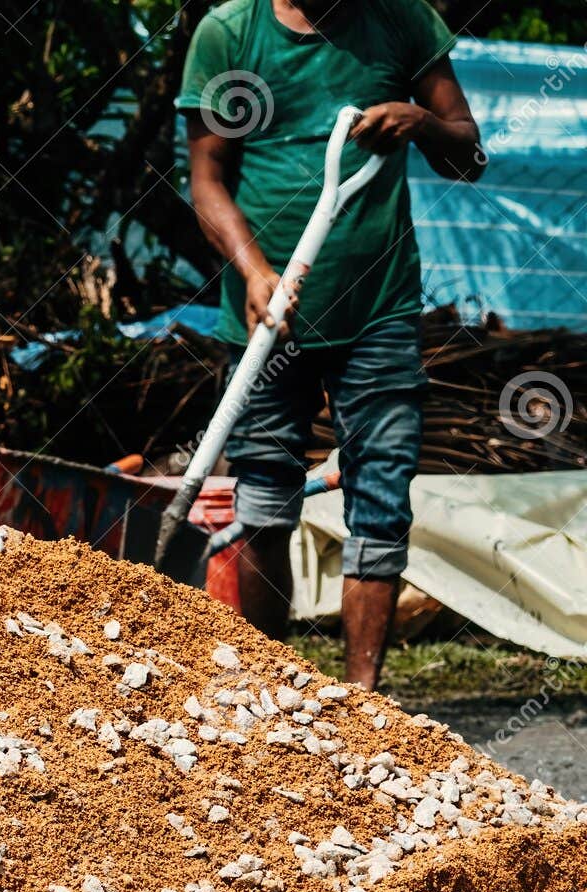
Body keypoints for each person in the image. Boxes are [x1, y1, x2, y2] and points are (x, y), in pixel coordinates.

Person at [177, 0, 484, 689]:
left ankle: (361, 707)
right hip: (267, 315)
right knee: (263, 498)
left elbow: (470, 158)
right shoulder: (230, 34)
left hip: (379, 309)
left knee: (379, 496)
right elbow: (207, 178)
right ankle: (265, 692)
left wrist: (425, 123)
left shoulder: (401, 20)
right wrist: (255, 272)